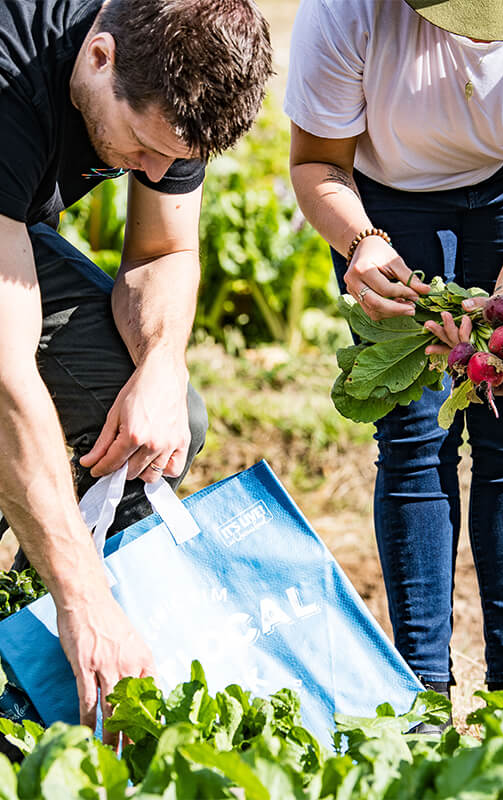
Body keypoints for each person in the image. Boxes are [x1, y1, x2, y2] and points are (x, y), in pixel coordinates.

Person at [285, 0, 503, 706]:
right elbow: (317, 161)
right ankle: (422, 690)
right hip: (386, 200)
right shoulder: (348, 9)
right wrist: (362, 244)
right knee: (415, 435)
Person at [0, 0, 273, 740]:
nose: (154, 171)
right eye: (144, 147)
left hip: (10, 223)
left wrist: (161, 363)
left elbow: (164, 253)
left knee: (168, 419)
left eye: (172, 159)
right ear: (99, 58)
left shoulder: (173, 70)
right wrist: (81, 596)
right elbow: (5, 371)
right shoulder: (10, 77)